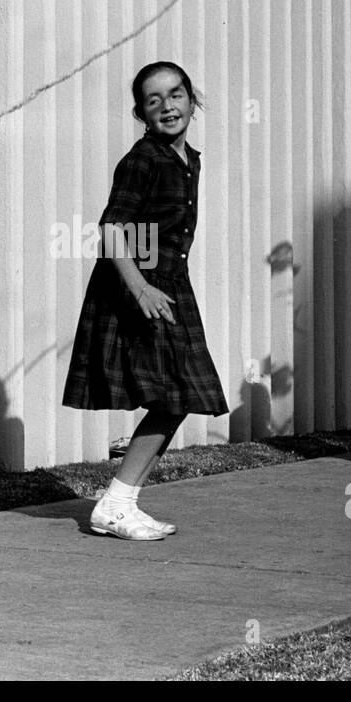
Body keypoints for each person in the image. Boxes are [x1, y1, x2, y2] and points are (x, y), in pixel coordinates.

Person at [63, 61, 228, 540]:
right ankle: (116, 504)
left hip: (171, 284)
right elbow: (112, 229)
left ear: (192, 100)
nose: (167, 106)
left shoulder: (188, 158)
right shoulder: (143, 159)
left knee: (178, 394)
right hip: (139, 286)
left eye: (175, 95)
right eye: (153, 101)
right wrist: (140, 289)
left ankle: (120, 502)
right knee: (175, 393)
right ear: (141, 112)